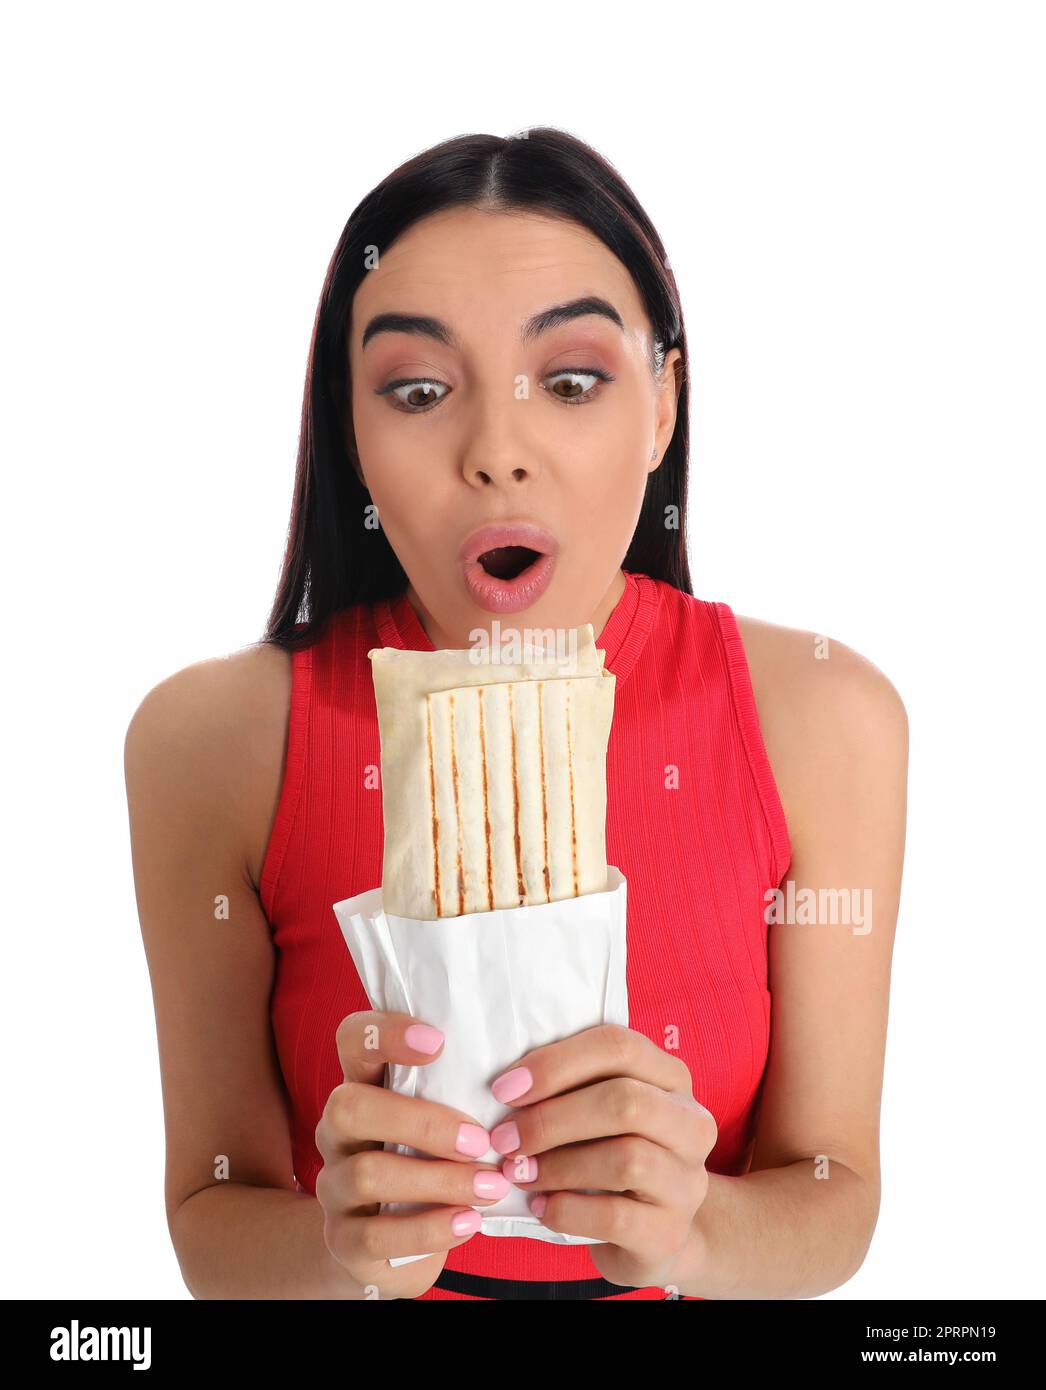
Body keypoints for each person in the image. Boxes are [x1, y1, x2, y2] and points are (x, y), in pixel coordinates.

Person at [124, 128, 908, 1301]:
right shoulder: (213, 739)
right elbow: (209, 1215)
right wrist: (346, 1245)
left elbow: (833, 1192)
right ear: (352, 428)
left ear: (660, 408)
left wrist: (693, 1230)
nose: (497, 452)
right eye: (419, 390)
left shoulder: (822, 715)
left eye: (575, 380)